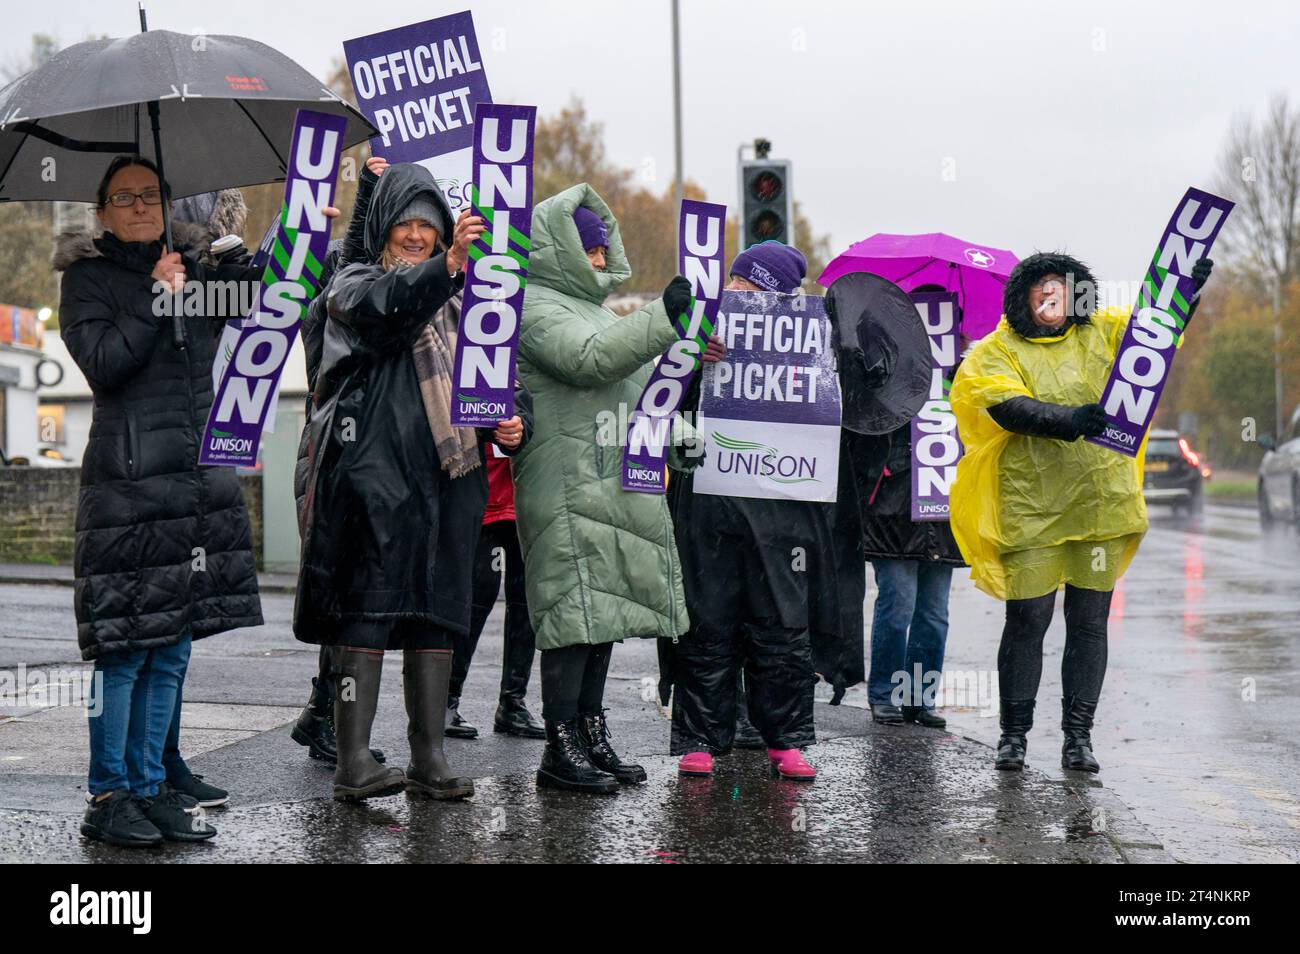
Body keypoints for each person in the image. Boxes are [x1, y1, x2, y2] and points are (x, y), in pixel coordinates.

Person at [57, 156, 284, 846]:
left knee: (171, 650)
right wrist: (158, 298)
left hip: (192, 486)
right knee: (124, 651)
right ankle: (109, 794)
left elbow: (254, 304)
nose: (139, 207)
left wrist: (245, 264)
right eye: (123, 198)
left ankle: (152, 786)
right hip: (125, 490)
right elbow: (105, 363)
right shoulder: (87, 280)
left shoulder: (191, 268)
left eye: (150, 196)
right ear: (102, 212)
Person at [294, 161, 529, 802]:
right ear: (384, 229)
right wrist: (448, 265)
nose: (418, 236)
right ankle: (352, 760)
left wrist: (515, 423)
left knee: (438, 615)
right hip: (373, 480)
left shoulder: (473, 303)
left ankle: (430, 757)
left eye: (429, 226)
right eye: (405, 224)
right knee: (366, 614)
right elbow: (389, 310)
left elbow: (506, 381)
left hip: (450, 482)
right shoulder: (353, 283)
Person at [950, 251, 1212, 772]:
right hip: (1031, 508)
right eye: (1041, 288)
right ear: (1022, 297)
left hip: (1100, 505)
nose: (1052, 297)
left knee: (1089, 622)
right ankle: (1013, 736)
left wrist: (1183, 293)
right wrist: (1070, 419)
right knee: (1028, 619)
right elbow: (1008, 408)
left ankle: (1078, 738)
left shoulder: (1103, 331)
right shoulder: (997, 350)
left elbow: (1154, 335)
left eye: (1061, 287)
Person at [513, 185, 720, 793]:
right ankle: (560, 746)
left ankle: (590, 732)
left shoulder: (601, 312)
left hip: (609, 483)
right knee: (571, 614)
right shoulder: (530, 305)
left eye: (604, 248)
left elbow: (633, 395)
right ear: (558, 248)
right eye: (589, 249)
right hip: (564, 484)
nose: (601, 259)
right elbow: (590, 360)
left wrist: (680, 437)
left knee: (601, 616)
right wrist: (662, 317)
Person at [667, 241, 833, 781]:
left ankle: (784, 740)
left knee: (780, 624)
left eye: (749, 286)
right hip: (708, 500)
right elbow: (659, 403)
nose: (735, 293)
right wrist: (689, 359)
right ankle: (699, 737)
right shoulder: (700, 332)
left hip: (782, 507)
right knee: (706, 618)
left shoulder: (812, 345)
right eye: (734, 282)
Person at [855, 285, 966, 728]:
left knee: (934, 612)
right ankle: (884, 694)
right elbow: (865, 425)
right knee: (898, 604)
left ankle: (920, 698)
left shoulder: (966, 372)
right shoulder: (885, 367)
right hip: (895, 505)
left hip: (944, 505)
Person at [444, 442, 546, 740]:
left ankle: (513, 704)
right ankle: (446, 698)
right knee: (478, 595)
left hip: (529, 498)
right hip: (483, 492)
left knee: (525, 602)